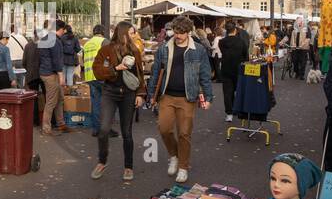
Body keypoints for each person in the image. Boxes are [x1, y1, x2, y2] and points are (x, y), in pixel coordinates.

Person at [144, 15, 212, 184]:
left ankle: (183, 166)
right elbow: (155, 73)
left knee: (184, 133)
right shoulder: (164, 48)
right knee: (164, 129)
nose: (178, 36)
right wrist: (151, 95)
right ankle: (174, 155)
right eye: (176, 32)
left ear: (189, 32)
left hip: (188, 97)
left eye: (182, 33)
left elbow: (205, 75)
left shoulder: (198, 49)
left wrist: (208, 96)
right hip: (166, 95)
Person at [91, 21, 142, 182]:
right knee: (104, 129)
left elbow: (140, 74)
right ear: (123, 34)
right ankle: (102, 161)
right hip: (110, 92)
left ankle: (128, 167)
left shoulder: (135, 51)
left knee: (127, 132)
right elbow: (97, 71)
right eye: (131, 33)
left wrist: (140, 94)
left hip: (128, 94)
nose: (134, 36)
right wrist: (115, 69)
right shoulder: (106, 50)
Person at [38, 24, 68, 134]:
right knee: (51, 101)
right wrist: (61, 76)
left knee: (59, 98)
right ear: (61, 29)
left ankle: (61, 123)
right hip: (51, 74)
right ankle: (46, 128)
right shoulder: (55, 41)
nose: (64, 32)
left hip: (45, 72)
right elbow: (57, 60)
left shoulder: (44, 39)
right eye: (63, 30)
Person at [81, 23, 109, 138]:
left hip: (90, 77)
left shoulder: (87, 44)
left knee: (95, 103)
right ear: (103, 32)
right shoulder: (104, 42)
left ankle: (95, 129)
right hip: (102, 76)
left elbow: (83, 60)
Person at [218, 21, 246, 122]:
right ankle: (239, 110)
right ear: (235, 30)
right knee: (239, 90)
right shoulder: (241, 42)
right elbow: (245, 56)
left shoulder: (221, 42)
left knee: (227, 93)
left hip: (226, 69)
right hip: (239, 69)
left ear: (226, 30)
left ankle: (229, 113)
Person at [22, 32, 44, 125]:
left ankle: (34, 121)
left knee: (33, 98)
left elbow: (24, 62)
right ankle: (50, 120)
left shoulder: (27, 46)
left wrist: (29, 69)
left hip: (31, 75)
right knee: (47, 97)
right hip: (43, 74)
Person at [60, 21, 80, 87]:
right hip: (72, 59)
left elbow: (59, 48)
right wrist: (73, 51)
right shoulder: (75, 38)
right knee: (70, 75)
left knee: (63, 75)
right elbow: (78, 48)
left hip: (63, 59)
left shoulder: (61, 38)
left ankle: (63, 90)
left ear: (65, 30)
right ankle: (70, 89)